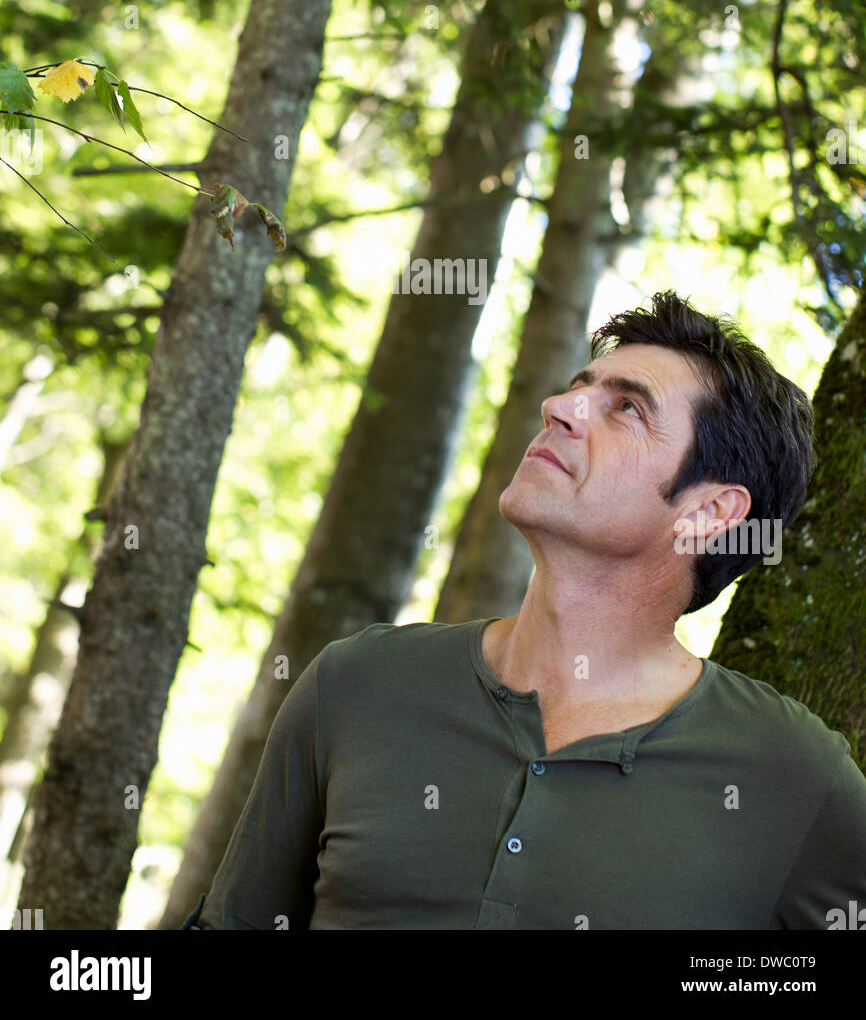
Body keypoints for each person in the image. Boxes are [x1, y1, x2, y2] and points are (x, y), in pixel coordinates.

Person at [181, 289, 866, 929]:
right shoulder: (356, 684)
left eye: (627, 408)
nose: (560, 408)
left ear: (709, 512)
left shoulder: (795, 778)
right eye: (579, 388)